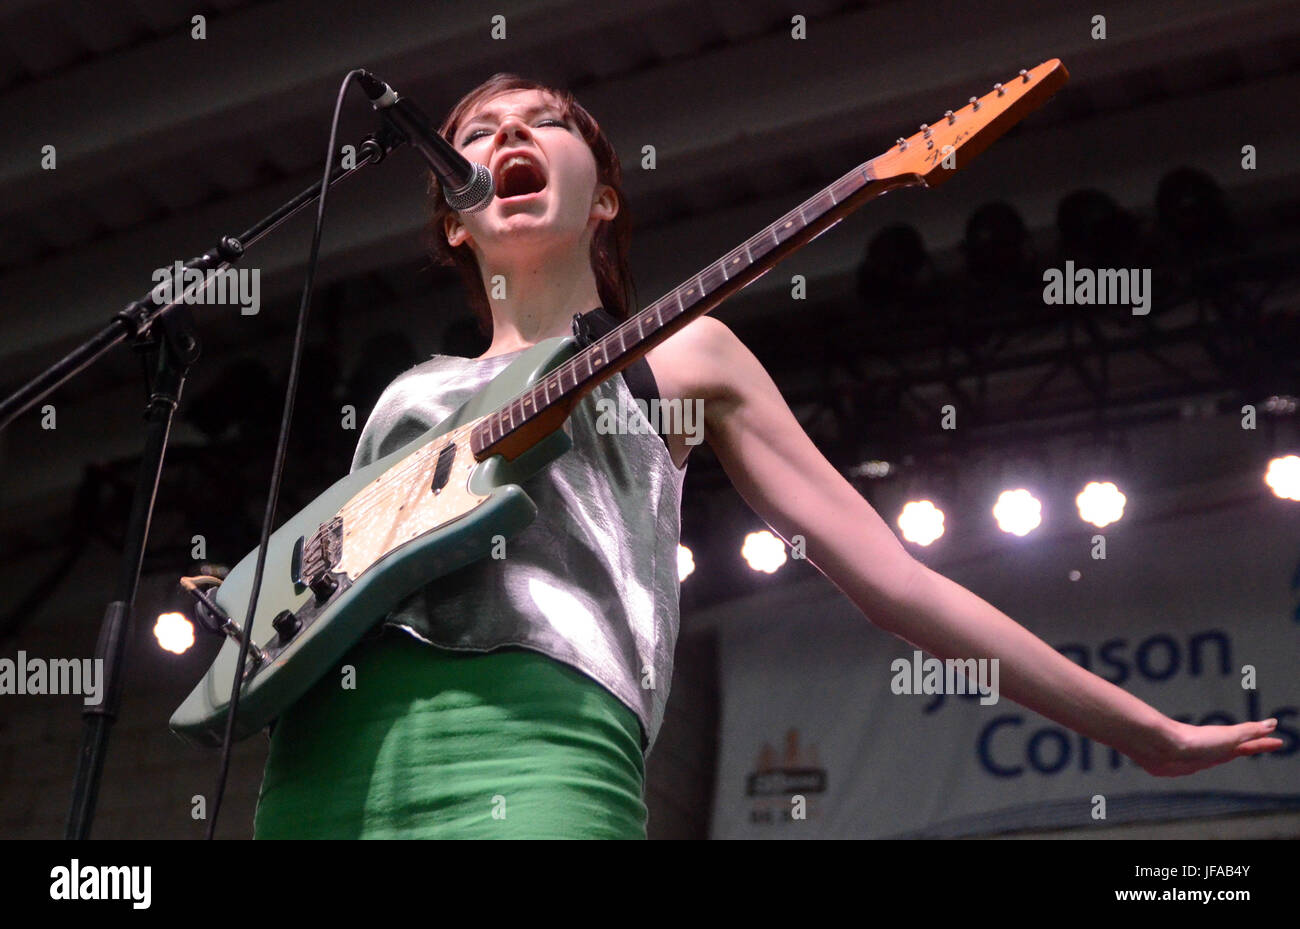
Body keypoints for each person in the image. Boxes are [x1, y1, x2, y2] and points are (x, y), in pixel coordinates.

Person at [252, 74, 1282, 840]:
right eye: (476, 132)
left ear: (604, 198)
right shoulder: (403, 395)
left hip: (541, 738)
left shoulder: (680, 353)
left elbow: (894, 583)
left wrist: (1142, 728)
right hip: (327, 756)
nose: (508, 131)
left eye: (546, 121)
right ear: (451, 214)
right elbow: (327, 585)